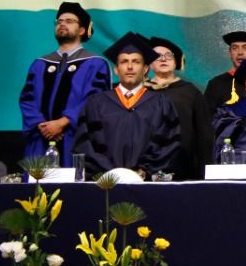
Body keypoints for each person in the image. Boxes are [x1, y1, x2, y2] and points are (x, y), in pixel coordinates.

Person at [73, 33, 181, 179]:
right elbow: (85, 145)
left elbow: (169, 144)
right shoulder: (96, 103)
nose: (130, 67)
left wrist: (143, 171)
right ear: (116, 70)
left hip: (147, 184)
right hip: (105, 183)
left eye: (136, 62)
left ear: (144, 69)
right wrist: (111, 173)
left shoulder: (161, 103)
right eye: (124, 62)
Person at [19, 2, 110, 159]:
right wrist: (42, 125)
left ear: (82, 30)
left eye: (69, 21)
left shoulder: (95, 63)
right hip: (41, 141)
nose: (62, 24)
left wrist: (63, 122)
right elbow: (27, 99)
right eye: (59, 21)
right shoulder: (40, 63)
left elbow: (95, 101)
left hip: (76, 140)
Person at [145, 36, 212, 179]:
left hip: (184, 164)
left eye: (168, 55)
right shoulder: (143, 92)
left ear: (176, 61)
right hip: (148, 165)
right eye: (157, 56)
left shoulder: (190, 91)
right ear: (149, 64)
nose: (163, 59)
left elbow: (204, 132)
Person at [203, 30, 246, 113]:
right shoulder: (216, 84)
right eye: (235, 48)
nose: (240, 52)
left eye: (245, 48)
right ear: (229, 53)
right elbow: (206, 118)